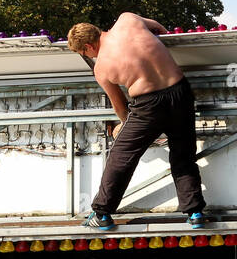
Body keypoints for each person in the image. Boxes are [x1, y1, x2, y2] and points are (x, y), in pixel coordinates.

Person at [67, 13, 206, 231]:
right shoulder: (127, 20)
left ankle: (102, 213)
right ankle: (195, 212)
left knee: (121, 155)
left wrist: (125, 126)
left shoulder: (101, 67)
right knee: (183, 155)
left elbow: (120, 105)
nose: (88, 56)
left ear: (88, 46)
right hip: (181, 92)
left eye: (84, 53)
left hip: (148, 104)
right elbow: (160, 28)